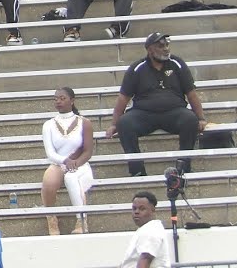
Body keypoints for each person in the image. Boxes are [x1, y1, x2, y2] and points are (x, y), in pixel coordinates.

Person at [110, 33, 206, 177]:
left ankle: (183, 167)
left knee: (190, 120)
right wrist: (113, 124)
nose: (166, 49)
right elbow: (123, 99)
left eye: (167, 45)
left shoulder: (177, 64)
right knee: (124, 123)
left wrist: (201, 118)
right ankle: (137, 171)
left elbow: (191, 94)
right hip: (144, 114)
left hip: (174, 112)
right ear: (150, 50)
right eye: (160, 46)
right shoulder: (137, 68)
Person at [41, 87, 95, 235]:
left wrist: (75, 163)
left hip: (80, 163)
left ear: (72, 100)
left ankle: (81, 220)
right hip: (59, 162)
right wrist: (65, 161)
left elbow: (88, 151)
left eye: (62, 98)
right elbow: (50, 153)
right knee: (48, 181)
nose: (58, 101)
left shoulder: (84, 122)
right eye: (56, 99)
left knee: (72, 178)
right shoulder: (49, 125)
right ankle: (51, 218)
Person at [120, 192, 170, 268]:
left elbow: (145, 259)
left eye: (142, 208)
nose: (136, 212)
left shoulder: (151, 230)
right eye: (134, 208)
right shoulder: (145, 229)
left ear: (152, 210)